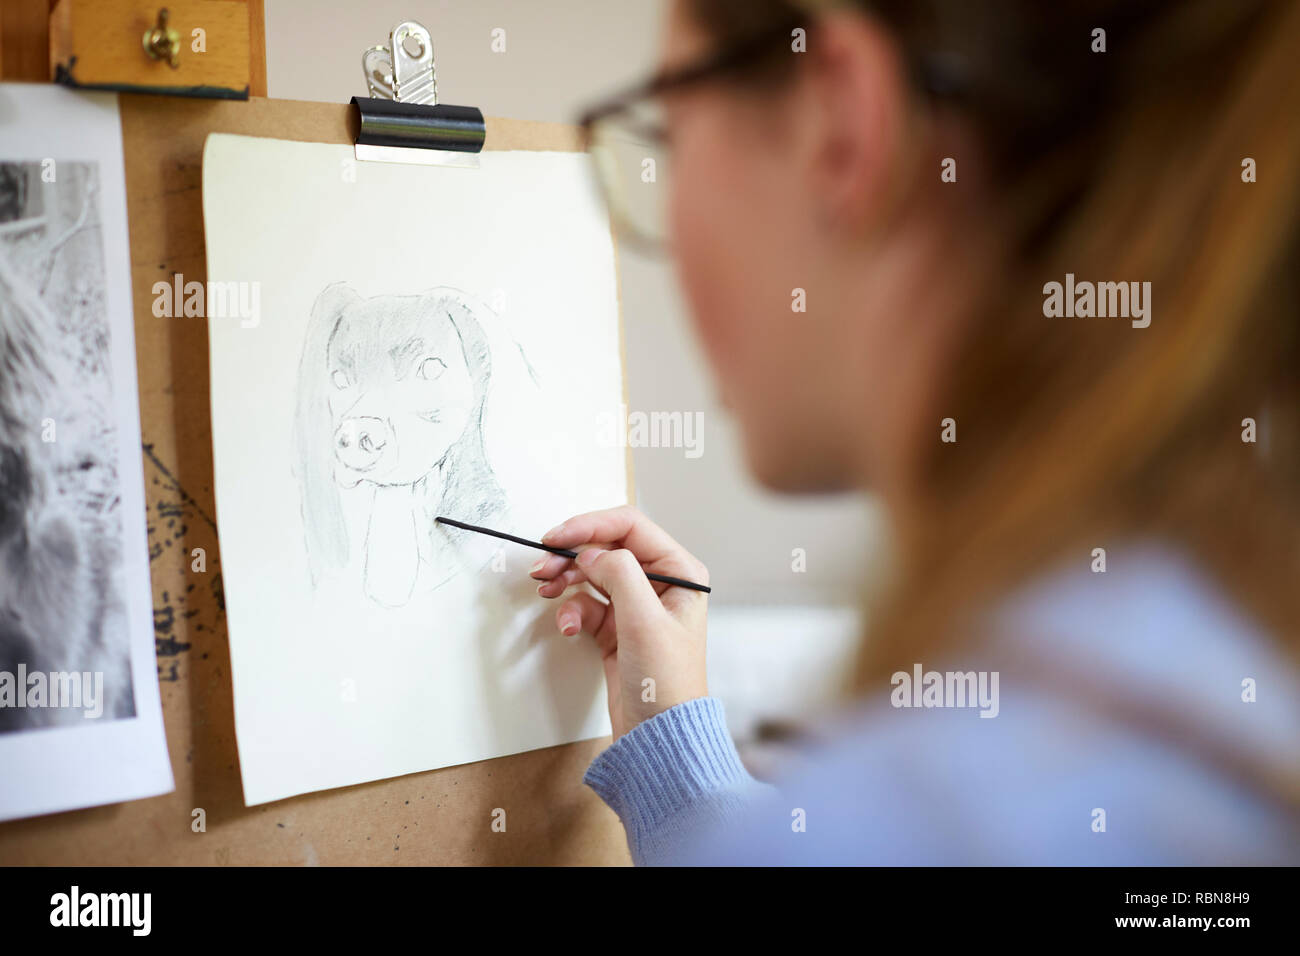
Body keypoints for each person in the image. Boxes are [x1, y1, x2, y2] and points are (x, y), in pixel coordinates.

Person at [530, 0, 1300, 864]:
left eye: (668, 139)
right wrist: (681, 764)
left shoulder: (938, 812)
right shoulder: (1216, 658)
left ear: (842, 126)